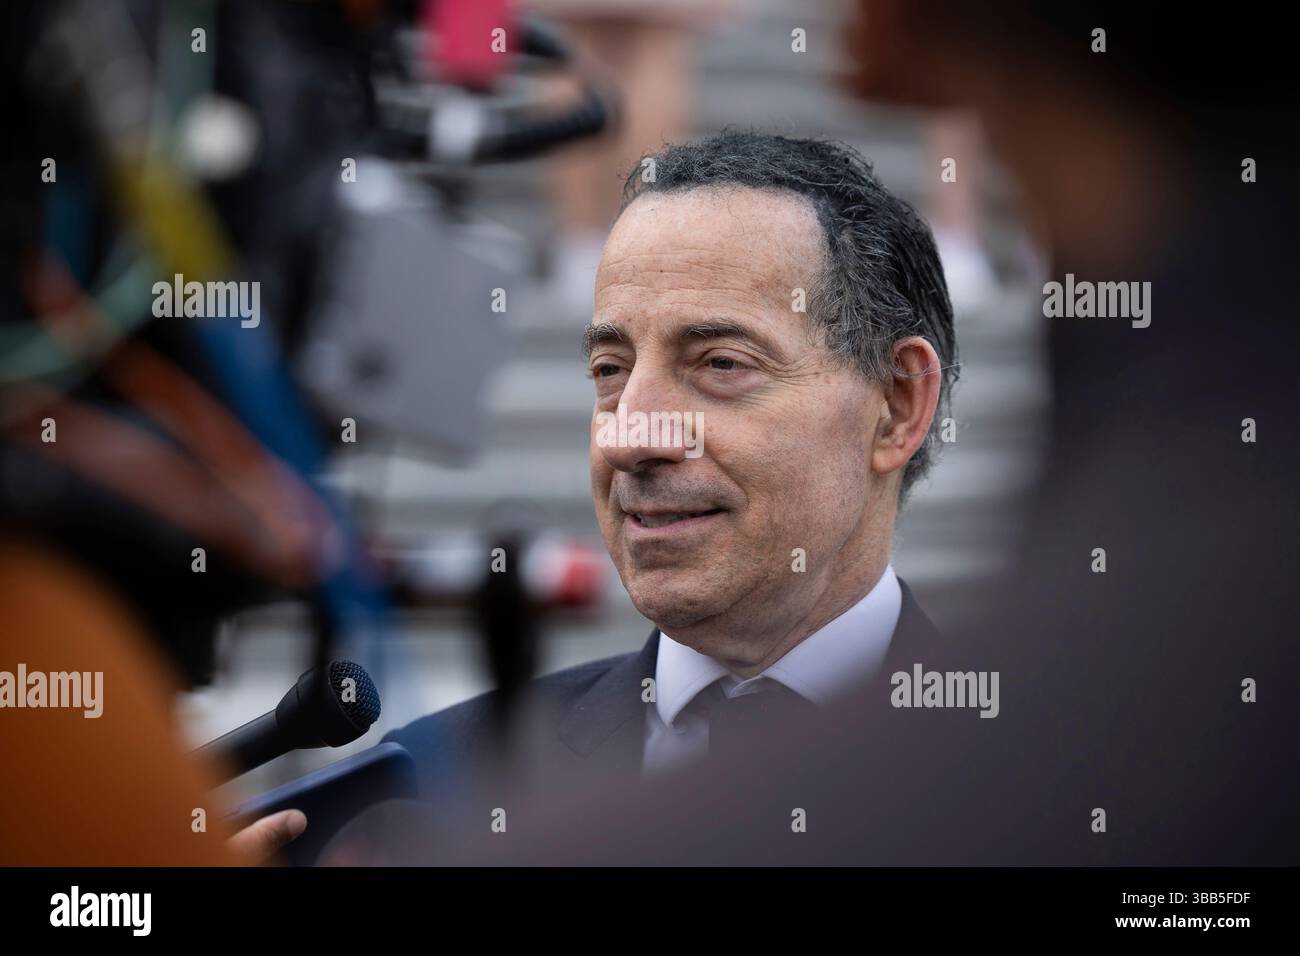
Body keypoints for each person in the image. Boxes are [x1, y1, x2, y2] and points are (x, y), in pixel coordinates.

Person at [387, 131, 957, 794]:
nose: (630, 437)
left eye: (721, 364)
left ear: (896, 405)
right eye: (610, 370)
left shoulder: (1069, 789)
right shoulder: (429, 793)